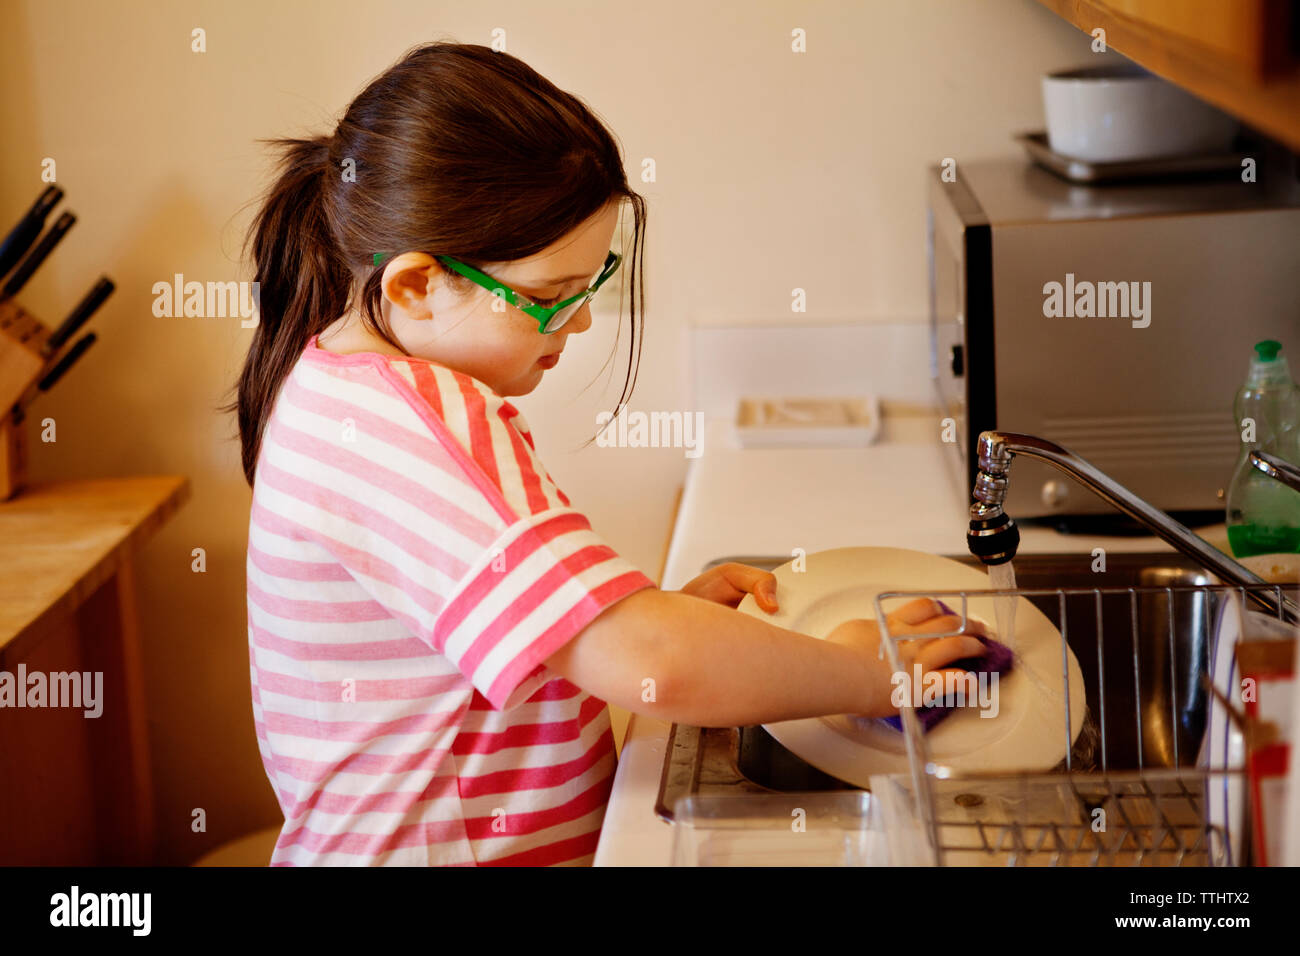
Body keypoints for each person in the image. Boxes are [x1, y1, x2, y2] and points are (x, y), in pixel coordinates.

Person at [230, 41, 987, 866]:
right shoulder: (414, 419)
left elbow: (570, 644)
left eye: (590, 288)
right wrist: (872, 675)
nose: (579, 324)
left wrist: (636, 618)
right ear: (415, 285)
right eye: (549, 299)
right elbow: (649, 659)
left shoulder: (342, 381)